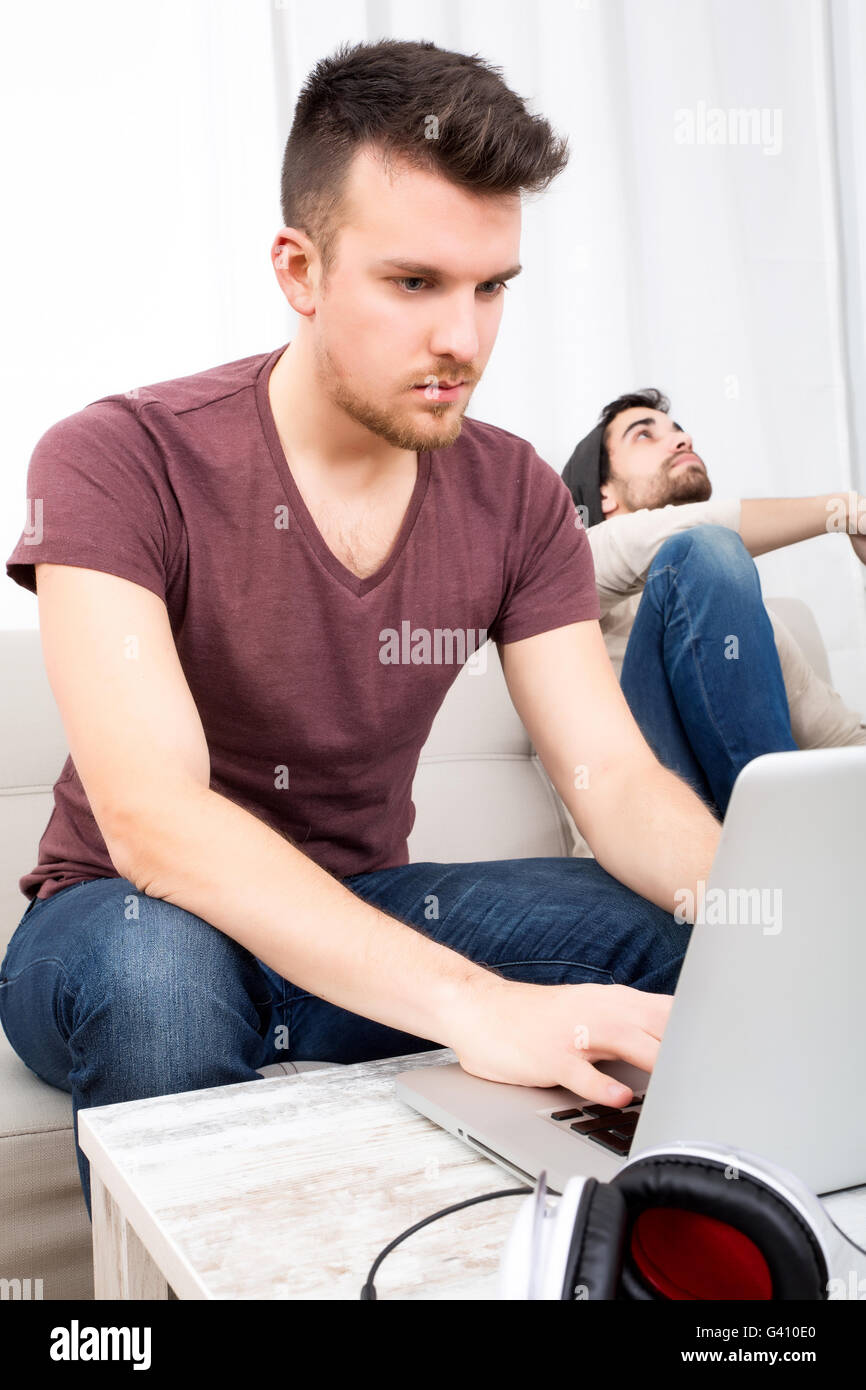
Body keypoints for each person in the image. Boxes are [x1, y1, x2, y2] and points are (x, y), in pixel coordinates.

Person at [2, 40, 719, 1218]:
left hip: (363, 914)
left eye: (491, 287)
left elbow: (614, 781)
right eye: (415, 283)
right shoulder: (113, 458)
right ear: (299, 268)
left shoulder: (520, 495)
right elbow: (155, 823)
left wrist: (766, 915)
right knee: (161, 978)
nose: (464, 341)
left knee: (672, 938)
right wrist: (477, 1005)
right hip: (119, 919)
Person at [560, 389, 866, 847]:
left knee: (712, 561)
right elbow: (666, 542)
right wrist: (843, 510)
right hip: (643, 852)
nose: (682, 440)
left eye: (680, 432)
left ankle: (781, 859)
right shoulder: (570, 573)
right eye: (645, 435)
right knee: (705, 551)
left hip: (753, 846)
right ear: (602, 492)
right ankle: (784, 853)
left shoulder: (736, 610)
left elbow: (841, 742)